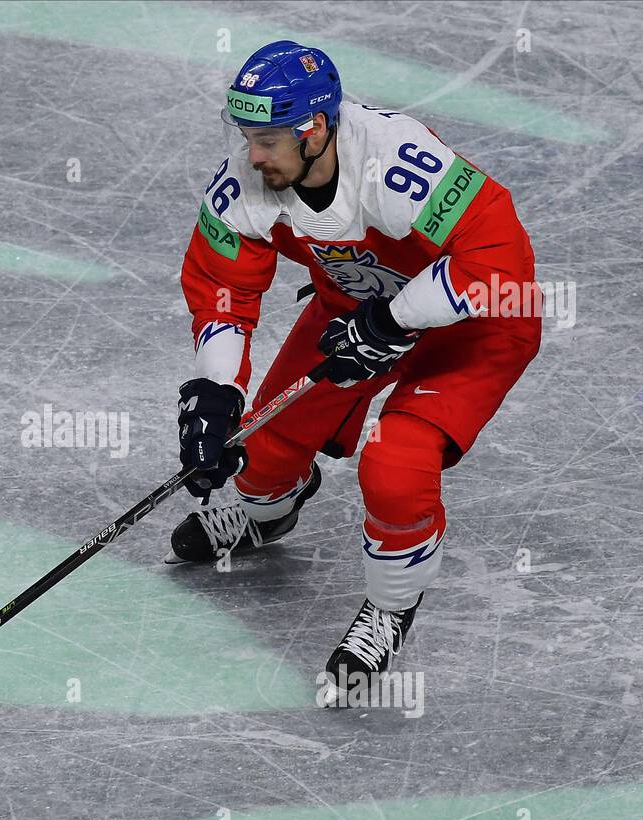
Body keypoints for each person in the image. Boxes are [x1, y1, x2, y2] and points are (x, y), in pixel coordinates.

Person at [169, 40, 541, 696]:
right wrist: (214, 389)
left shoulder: (396, 163)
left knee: (394, 464)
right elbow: (222, 285)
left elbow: (498, 258)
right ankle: (266, 512)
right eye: (246, 136)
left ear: (315, 130)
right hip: (357, 309)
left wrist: (398, 321)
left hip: (473, 323)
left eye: (269, 139)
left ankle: (392, 604)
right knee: (255, 451)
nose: (253, 156)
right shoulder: (248, 182)